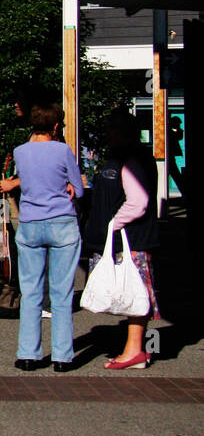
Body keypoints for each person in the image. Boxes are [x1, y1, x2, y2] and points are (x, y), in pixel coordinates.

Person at [0, 103, 84, 371]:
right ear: (56, 126)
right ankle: (62, 356)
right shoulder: (63, 150)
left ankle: (28, 354)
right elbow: (79, 189)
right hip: (61, 222)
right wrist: (69, 186)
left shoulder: (20, 152)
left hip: (31, 223)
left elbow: (24, 180)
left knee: (31, 291)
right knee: (61, 293)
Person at [83, 111, 159, 369]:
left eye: (111, 129)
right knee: (131, 292)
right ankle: (135, 349)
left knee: (134, 292)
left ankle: (134, 350)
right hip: (127, 237)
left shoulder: (131, 159)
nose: (107, 134)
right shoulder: (122, 158)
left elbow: (138, 202)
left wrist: (113, 224)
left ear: (124, 132)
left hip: (131, 239)